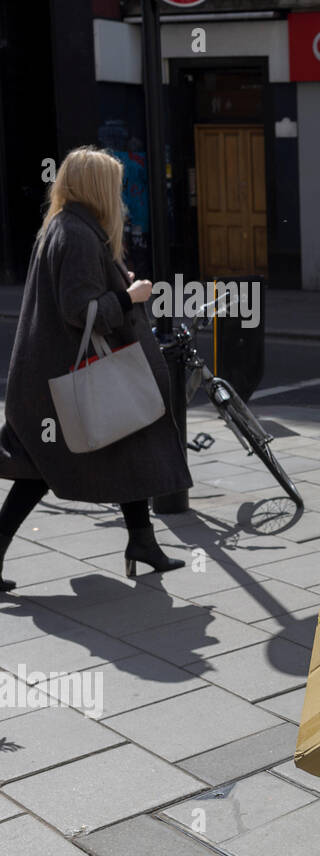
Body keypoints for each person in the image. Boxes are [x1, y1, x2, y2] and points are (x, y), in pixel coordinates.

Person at [0, 147, 191, 590]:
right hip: (71, 378)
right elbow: (79, 310)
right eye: (114, 186)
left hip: (51, 374)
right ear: (96, 188)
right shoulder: (79, 235)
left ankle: (142, 541)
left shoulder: (64, 226)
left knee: (121, 449)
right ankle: (142, 542)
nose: (119, 195)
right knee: (44, 471)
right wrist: (132, 297)